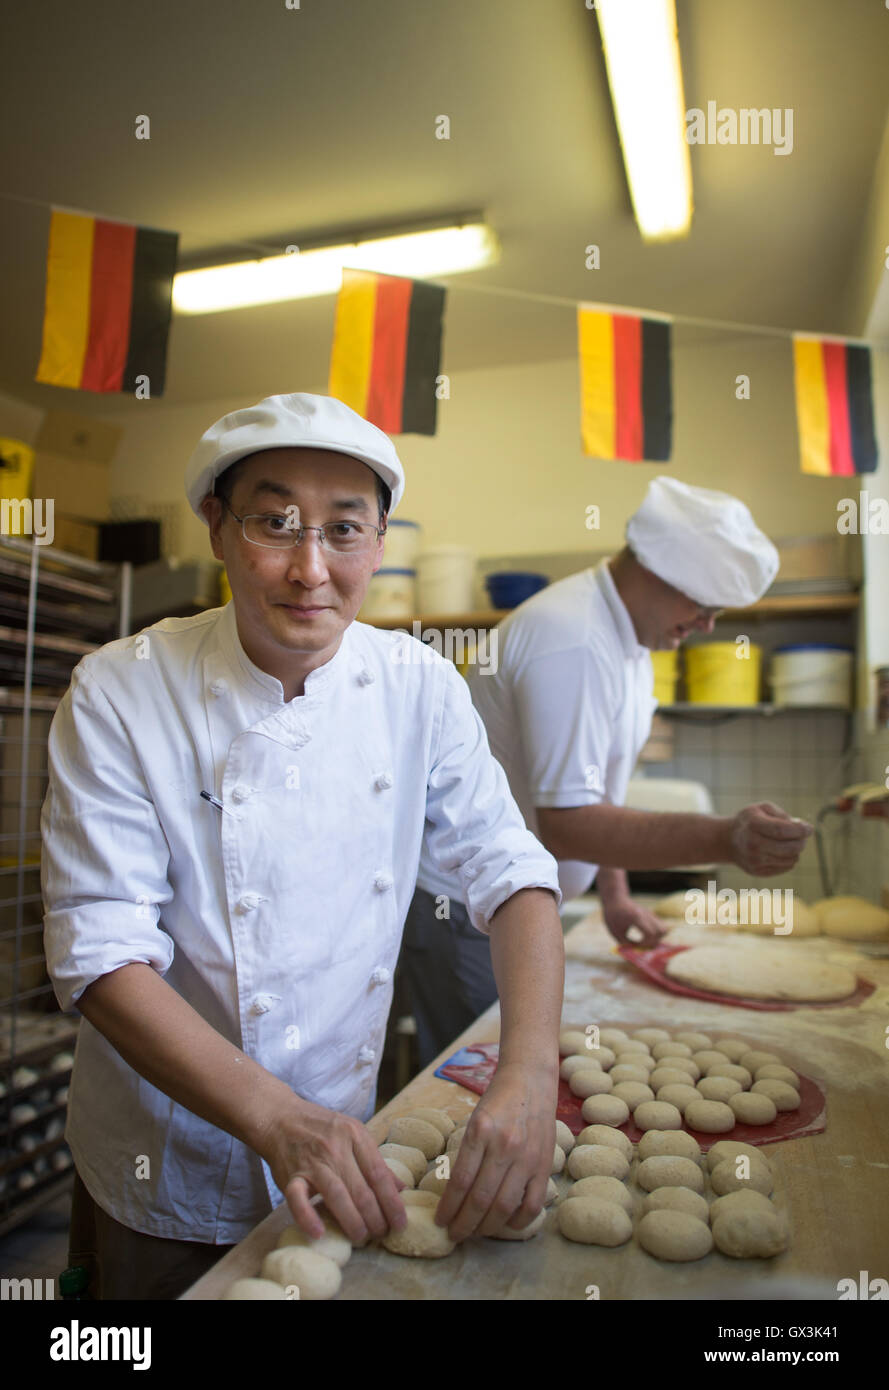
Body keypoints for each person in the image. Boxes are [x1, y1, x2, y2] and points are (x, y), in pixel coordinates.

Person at [41, 393, 564, 1300]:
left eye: (343, 530)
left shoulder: (417, 688)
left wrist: (528, 1072)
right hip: (163, 1152)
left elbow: (511, 873)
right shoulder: (120, 691)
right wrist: (275, 1120)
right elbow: (99, 950)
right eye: (274, 523)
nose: (310, 569)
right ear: (215, 525)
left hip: (338, 1130)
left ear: (381, 540)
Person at [402, 477, 814, 1067]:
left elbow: (598, 789)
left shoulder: (633, 644)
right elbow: (569, 825)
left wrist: (615, 897)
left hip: (510, 906)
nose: (707, 625)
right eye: (704, 605)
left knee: (504, 1089)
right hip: (465, 911)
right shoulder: (571, 639)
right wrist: (726, 837)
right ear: (658, 571)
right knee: (474, 1096)